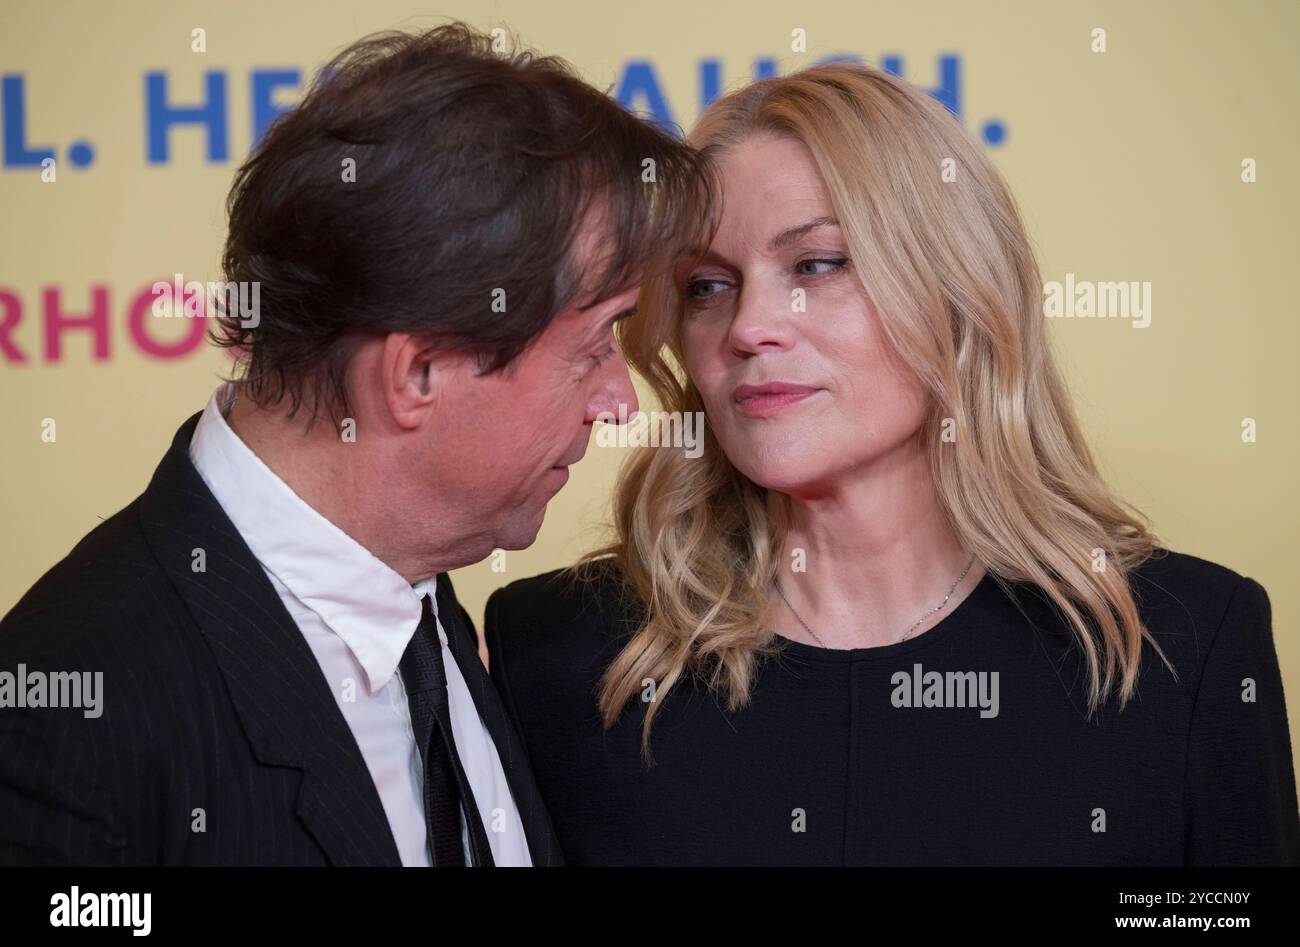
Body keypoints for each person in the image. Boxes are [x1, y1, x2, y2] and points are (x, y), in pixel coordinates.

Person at [485, 61, 1300, 865]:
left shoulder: (1183, 642)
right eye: (707, 285)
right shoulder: (556, 649)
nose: (750, 326)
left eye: (816, 265)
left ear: (955, 292)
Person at [0, 23, 712, 866]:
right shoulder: (67, 729)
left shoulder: (429, 593)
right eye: (596, 344)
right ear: (418, 375)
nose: (618, 400)